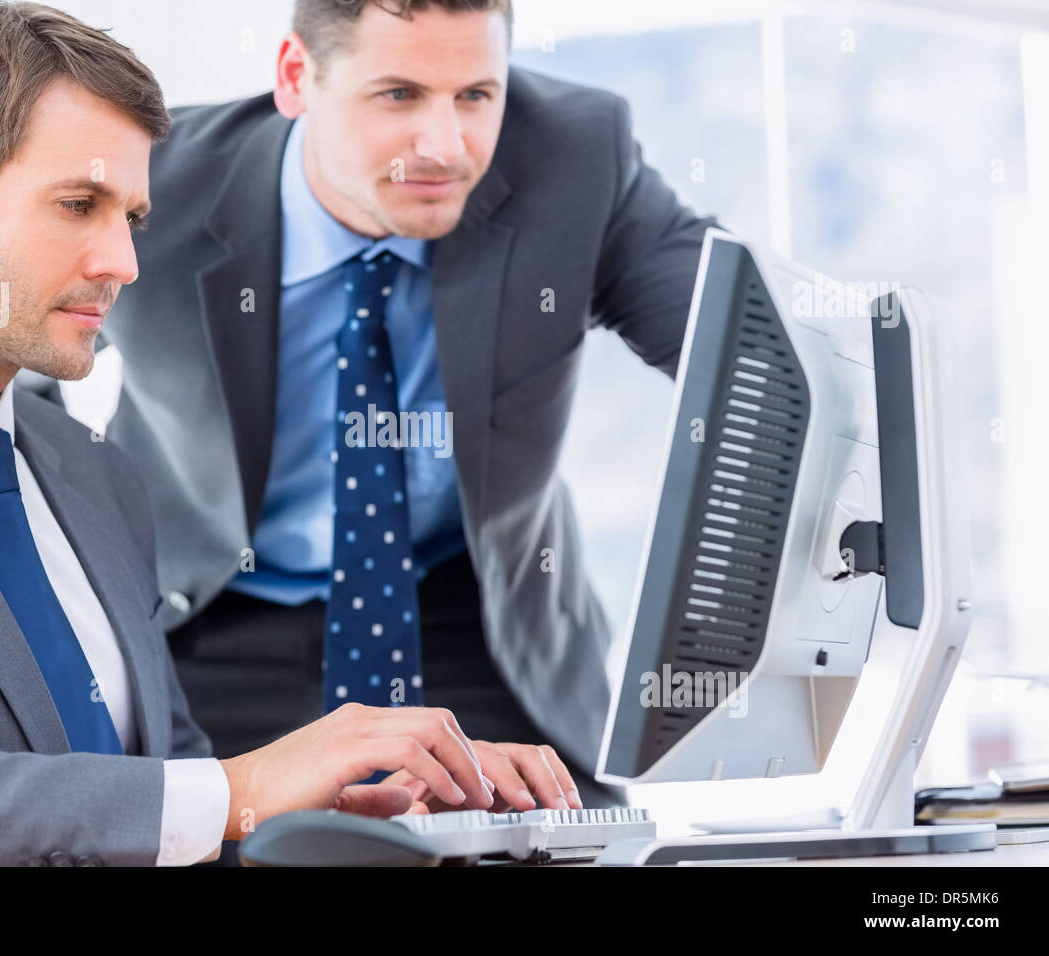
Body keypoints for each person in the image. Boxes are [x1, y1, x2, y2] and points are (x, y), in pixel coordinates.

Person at [0, 0, 579, 867]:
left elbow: (171, 803)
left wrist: (331, 814)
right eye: (78, 204)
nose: (124, 264)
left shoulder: (94, 472)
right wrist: (238, 792)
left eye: (133, 218)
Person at [100, 0, 718, 805]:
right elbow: (5, 381)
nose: (445, 146)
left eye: (476, 95)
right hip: (212, 615)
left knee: (561, 847)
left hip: (475, 615)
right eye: (398, 95)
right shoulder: (150, 187)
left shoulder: (574, 159)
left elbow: (740, 343)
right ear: (297, 77)